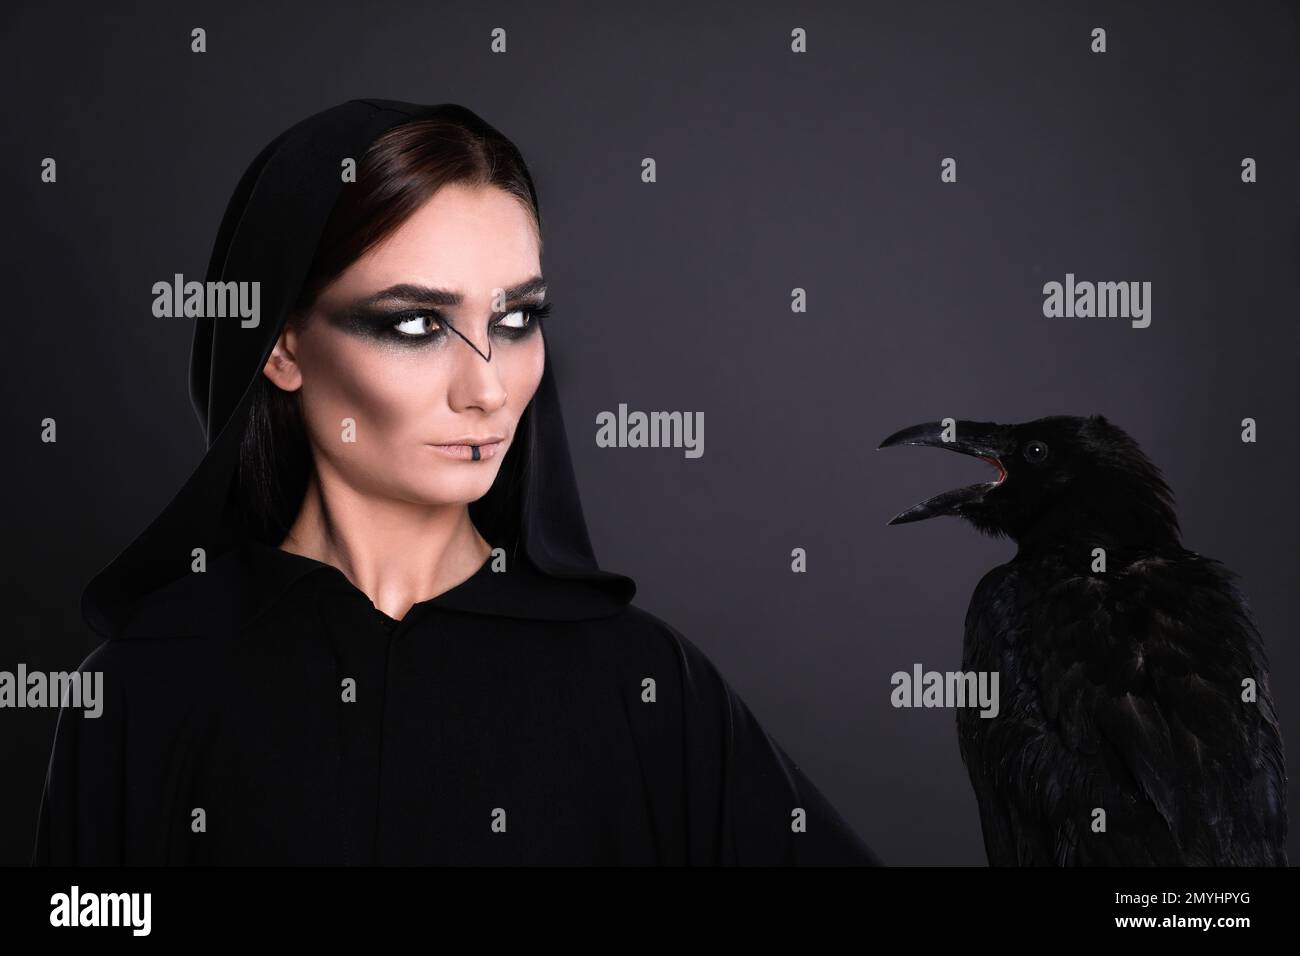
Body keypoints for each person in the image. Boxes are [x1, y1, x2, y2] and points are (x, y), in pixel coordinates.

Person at [32, 99, 880, 866]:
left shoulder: (647, 688)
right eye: (415, 324)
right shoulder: (140, 694)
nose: (487, 387)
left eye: (514, 321)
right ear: (281, 346)